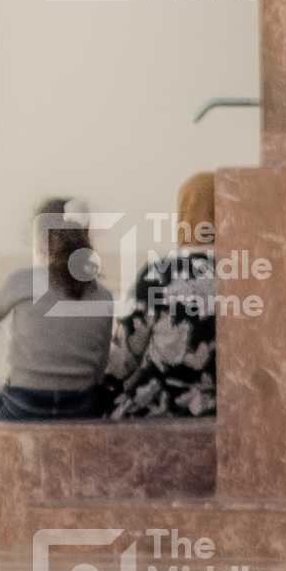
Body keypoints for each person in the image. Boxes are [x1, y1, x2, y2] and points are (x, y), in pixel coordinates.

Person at [0, 195, 120, 549]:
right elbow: (99, 365)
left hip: (23, 404)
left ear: (41, 241)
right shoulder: (102, 296)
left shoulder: (23, 282)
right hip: (82, 407)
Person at [110, 172, 224, 422]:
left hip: (160, 409)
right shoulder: (249, 275)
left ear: (184, 214)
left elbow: (123, 360)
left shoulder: (158, 274)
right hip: (227, 412)